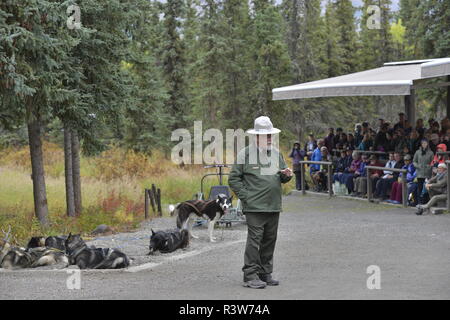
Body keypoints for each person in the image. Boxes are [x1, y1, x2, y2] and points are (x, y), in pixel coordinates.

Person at [229, 116, 293, 289]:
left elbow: (281, 176)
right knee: (254, 240)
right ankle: (250, 275)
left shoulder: (276, 153)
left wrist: (286, 175)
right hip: (254, 207)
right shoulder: (245, 154)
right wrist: (246, 197)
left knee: (270, 239)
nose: (270, 138)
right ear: (257, 137)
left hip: (273, 205)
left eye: (271, 135)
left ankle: (265, 273)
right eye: (266, 136)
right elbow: (234, 179)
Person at [412, 139, 434, 205]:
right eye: (423, 143)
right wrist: (418, 166)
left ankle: (426, 202)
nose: (424, 144)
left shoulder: (431, 153)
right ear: (421, 144)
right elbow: (414, 161)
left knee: (426, 188)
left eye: (425, 143)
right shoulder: (417, 152)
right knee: (420, 188)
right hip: (420, 173)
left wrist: (429, 166)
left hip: (427, 173)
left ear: (427, 144)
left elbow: (433, 162)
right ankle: (419, 202)